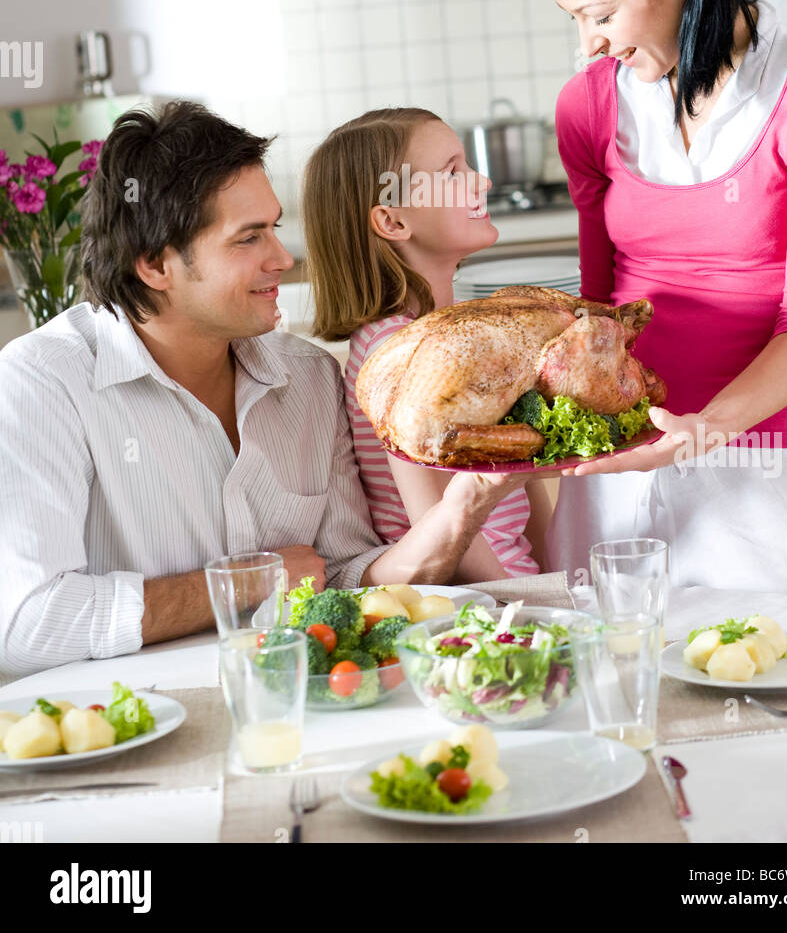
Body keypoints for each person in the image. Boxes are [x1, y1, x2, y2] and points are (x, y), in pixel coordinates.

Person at [0, 102, 530, 681]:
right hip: (135, 710)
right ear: (154, 265)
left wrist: (460, 511)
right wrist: (249, 584)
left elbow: (343, 574)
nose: (282, 258)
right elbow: (28, 624)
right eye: (248, 239)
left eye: (274, 228)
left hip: (296, 696)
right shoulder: (41, 383)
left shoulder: (307, 377)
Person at [527, 0, 787, 601]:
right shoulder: (588, 106)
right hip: (616, 480)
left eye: (600, 14)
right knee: (610, 703)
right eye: (575, 20)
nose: (590, 44)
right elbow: (596, 310)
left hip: (760, 476)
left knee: (781, 702)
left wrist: (702, 430)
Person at [302, 107, 552, 580]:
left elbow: (524, 478)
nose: (482, 182)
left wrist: (557, 580)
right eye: (452, 172)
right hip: (475, 606)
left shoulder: (451, 335)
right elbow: (436, 521)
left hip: (521, 585)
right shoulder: (396, 351)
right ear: (393, 222)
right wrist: (526, 610)